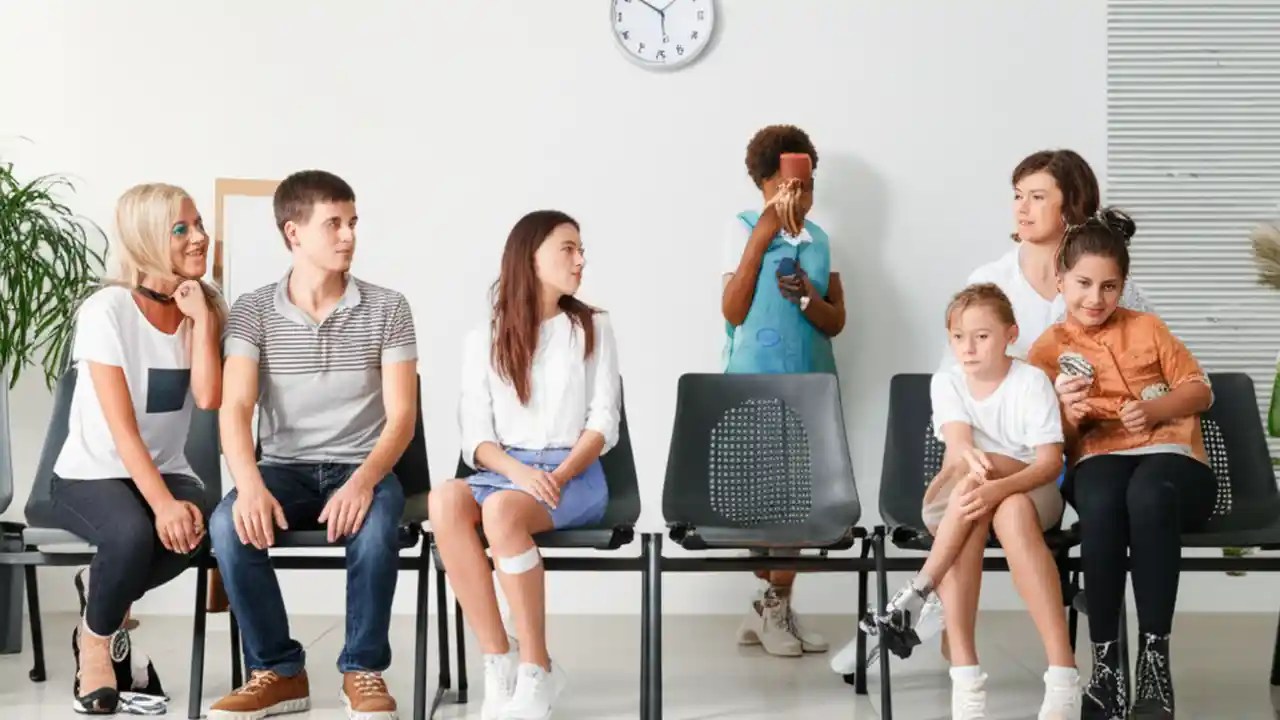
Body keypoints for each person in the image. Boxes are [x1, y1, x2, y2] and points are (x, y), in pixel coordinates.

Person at [208, 170, 418, 720]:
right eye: (334, 224)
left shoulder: (389, 307)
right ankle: (278, 672)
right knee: (228, 525)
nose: (349, 235)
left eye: (353, 222)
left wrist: (363, 482)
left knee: (377, 525)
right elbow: (235, 407)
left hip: (363, 467)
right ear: (294, 232)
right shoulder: (253, 310)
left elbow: (402, 417)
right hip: (284, 469)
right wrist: (248, 486)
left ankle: (363, 669)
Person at [428, 210, 620, 720]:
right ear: (530, 257)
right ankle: (499, 660)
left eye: (581, 250)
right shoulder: (484, 337)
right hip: (506, 471)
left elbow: (604, 421)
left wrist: (556, 476)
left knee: (501, 512)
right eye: (568, 249)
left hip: (573, 474)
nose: (580, 260)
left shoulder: (593, 327)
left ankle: (537, 668)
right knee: (444, 500)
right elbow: (476, 437)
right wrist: (519, 475)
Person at [859, 284, 1082, 718]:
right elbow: (960, 446)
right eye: (958, 337)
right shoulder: (947, 381)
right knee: (975, 496)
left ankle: (920, 590)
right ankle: (968, 681)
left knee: (1004, 503)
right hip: (962, 495)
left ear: (1010, 335)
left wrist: (996, 483)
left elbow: (1048, 463)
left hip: (1031, 490)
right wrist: (985, 482)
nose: (968, 347)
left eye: (981, 336)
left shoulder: (1031, 381)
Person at [1028, 209, 1214, 720]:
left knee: (1148, 493)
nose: (1095, 298)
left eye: (1109, 286)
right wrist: (1067, 415)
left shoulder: (1147, 328)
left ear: (1123, 287)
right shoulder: (1047, 350)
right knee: (1102, 496)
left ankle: (1154, 665)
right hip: (1100, 457)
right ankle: (1106, 669)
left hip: (1174, 461)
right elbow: (1048, 441)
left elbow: (1200, 391)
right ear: (1061, 280)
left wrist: (1154, 410)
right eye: (1084, 284)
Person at [45, 183, 224, 714]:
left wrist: (204, 321)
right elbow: (122, 430)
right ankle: (96, 647)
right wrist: (162, 506)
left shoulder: (201, 308)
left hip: (168, 469)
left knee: (199, 525)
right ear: (146, 238)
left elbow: (208, 398)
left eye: (199, 224)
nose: (199, 237)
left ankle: (99, 591)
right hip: (91, 473)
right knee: (130, 534)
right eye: (180, 229)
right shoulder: (106, 311)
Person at [721, 124, 846, 657]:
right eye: (789, 184)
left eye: (808, 184)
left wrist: (806, 296)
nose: (801, 194)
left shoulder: (820, 241)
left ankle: (776, 607)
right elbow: (732, 310)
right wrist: (765, 232)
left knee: (799, 497)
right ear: (765, 183)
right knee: (757, 497)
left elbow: (835, 321)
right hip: (753, 380)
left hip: (811, 380)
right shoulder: (742, 227)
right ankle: (769, 604)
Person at [961, 149, 1153, 363]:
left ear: (1072, 204)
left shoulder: (1111, 284)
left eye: (1037, 197)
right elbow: (958, 368)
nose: (1022, 208)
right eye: (1018, 196)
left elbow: (1155, 356)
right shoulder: (988, 282)